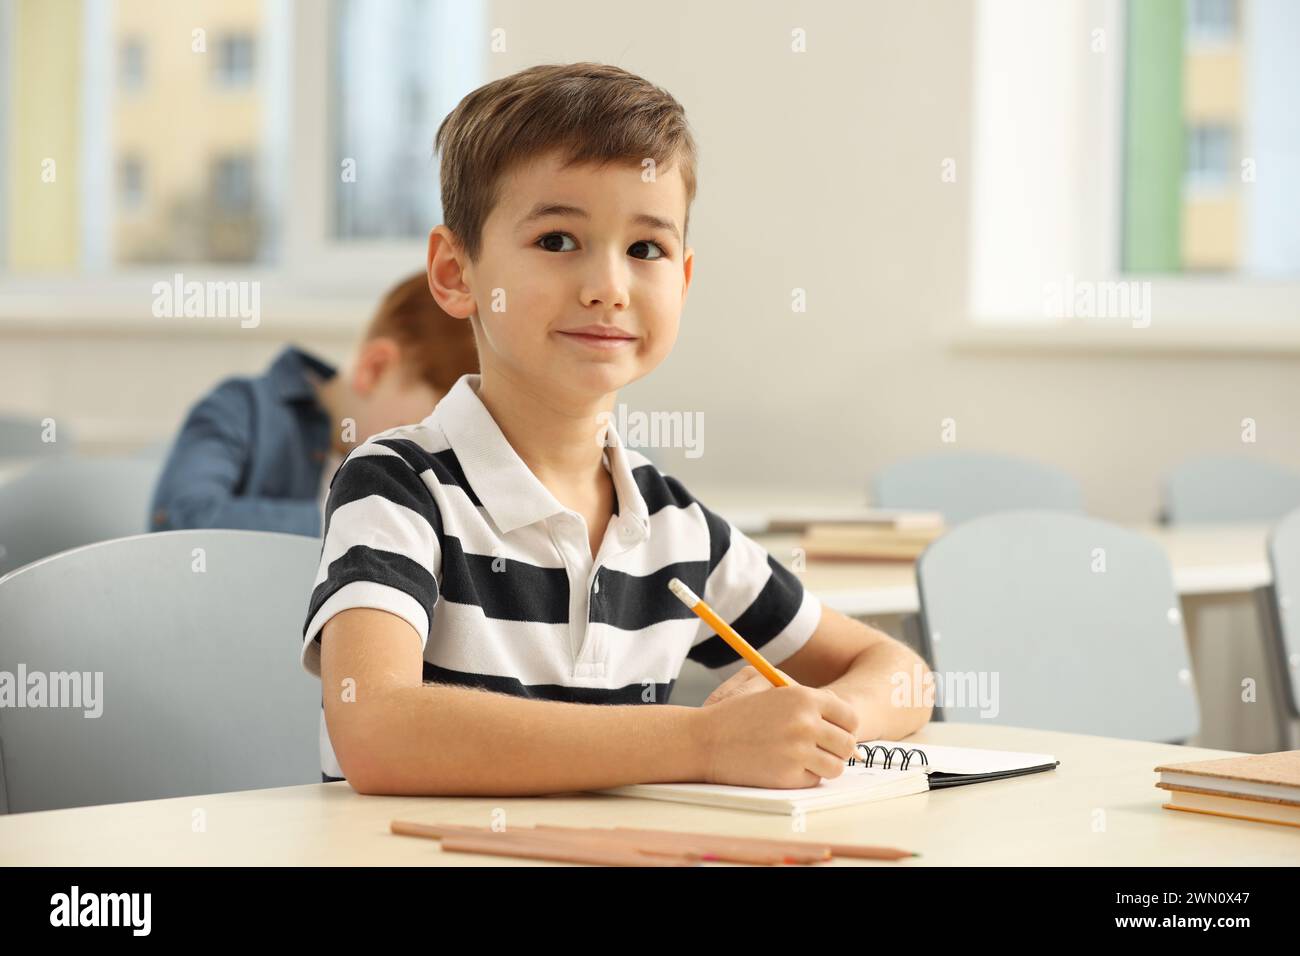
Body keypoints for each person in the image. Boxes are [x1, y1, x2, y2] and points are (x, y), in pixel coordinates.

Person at [301, 63, 932, 792]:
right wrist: (703, 741)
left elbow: (902, 676)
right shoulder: (399, 486)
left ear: (683, 283)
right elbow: (378, 733)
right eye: (558, 241)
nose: (609, 287)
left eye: (645, 249)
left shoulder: (674, 529)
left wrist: (818, 717)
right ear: (455, 272)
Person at [149, 273, 477, 536]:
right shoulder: (242, 409)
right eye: (432, 428)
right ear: (374, 369)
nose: (435, 457)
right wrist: (356, 515)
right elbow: (177, 520)